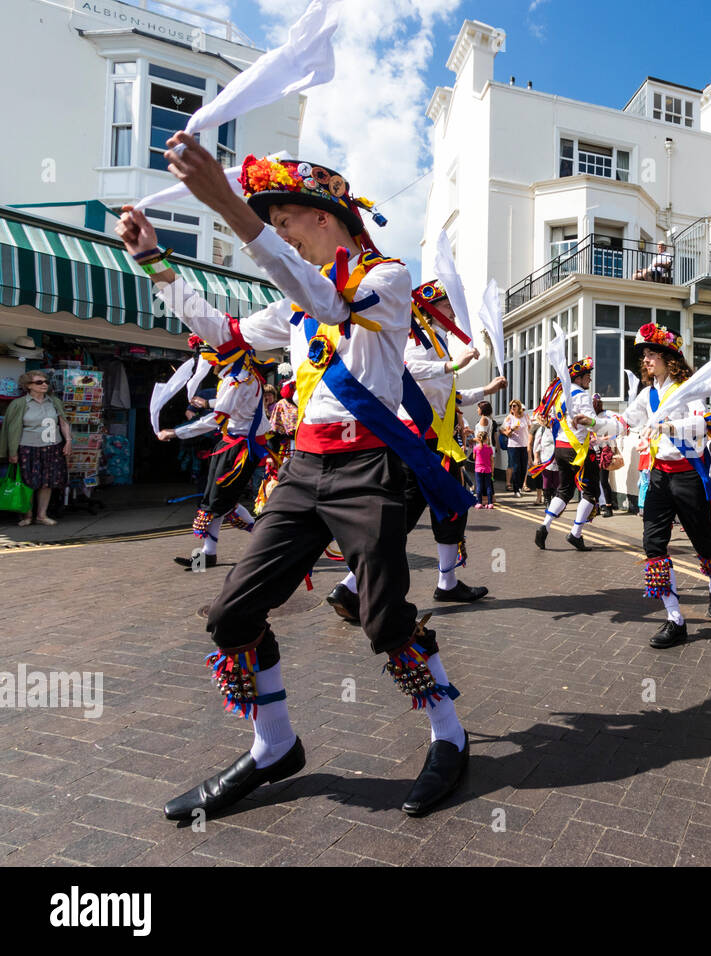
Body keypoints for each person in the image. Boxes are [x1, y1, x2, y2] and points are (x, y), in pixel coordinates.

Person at [118, 136, 476, 819]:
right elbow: (226, 336)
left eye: (285, 222)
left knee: (382, 621)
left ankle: (450, 736)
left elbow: (333, 303)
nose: (280, 234)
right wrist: (156, 264)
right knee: (231, 614)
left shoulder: (388, 278)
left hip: (368, 467)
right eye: (272, 225)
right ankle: (273, 745)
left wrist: (233, 211)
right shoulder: (295, 305)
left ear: (327, 216)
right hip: (303, 468)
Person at [326, 307, 506, 621]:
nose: (454, 310)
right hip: (419, 442)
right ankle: (350, 585)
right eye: (448, 305)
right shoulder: (415, 337)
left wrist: (485, 391)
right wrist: (451, 364)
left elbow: (447, 393)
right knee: (401, 517)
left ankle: (446, 583)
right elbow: (404, 368)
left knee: (450, 510)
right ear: (433, 308)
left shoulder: (436, 341)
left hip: (436, 444)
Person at [615, 322, 711, 648]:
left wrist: (667, 426)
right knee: (653, 544)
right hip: (658, 476)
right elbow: (624, 420)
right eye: (645, 355)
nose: (646, 360)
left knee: (703, 543)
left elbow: (700, 424)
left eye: (652, 354)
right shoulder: (647, 393)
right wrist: (595, 423)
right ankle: (675, 619)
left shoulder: (686, 387)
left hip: (688, 475)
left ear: (669, 357)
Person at [156, 336, 272, 567]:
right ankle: (207, 555)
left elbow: (217, 417)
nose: (210, 364)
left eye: (212, 358)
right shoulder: (238, 377)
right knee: (215, 502)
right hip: (231, 444)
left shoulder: (239, 379)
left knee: (219, 502)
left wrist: (176, 432)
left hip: (239, 448)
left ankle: (271, 544)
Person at [534, 357, 600, 551]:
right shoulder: (581, 395)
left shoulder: (561, 395)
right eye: (587, 376)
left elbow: (553, 420)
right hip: (578, 449)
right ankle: (575, 534)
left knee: (564, 489)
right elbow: (592, 420)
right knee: (590, 492)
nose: (589, 379)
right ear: (578, 378)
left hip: (561, 448)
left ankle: (544, 526)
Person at [2, 370, 71, 526]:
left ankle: (41, 515)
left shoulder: (54, 401)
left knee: (47, 482)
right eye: (39, 382)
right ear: (28, 386)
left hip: (52, 447)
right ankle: (27, 515)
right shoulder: (19, 404)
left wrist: (68, 441)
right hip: (28, 448)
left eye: (46, 381)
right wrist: (12, 452)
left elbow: (63, 422)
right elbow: (11, 429)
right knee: (28, 482)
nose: (44, 384)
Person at [591, 394, 617, 517]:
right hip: (594, 451)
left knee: (603, 480)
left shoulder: (605, 416)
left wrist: (601, 439)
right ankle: (597, 506)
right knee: (595, 480)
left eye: (596, 403)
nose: (595, 405)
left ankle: (609, 507)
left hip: (604, 451)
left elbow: (611, 434)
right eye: (594, 403)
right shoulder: (592, 417)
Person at [502, 399, 530, 497]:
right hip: (513, 446)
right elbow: (507, 434)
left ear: (519, 407)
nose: (512, 408)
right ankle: (516, 489)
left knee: (523, 468)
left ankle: (520, 486)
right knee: (516, 468)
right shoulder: (509, 418)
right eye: (511, 406)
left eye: (514, 406)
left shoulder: (526, 416)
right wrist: (513, 428)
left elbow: (529, 429)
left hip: (524, 445)